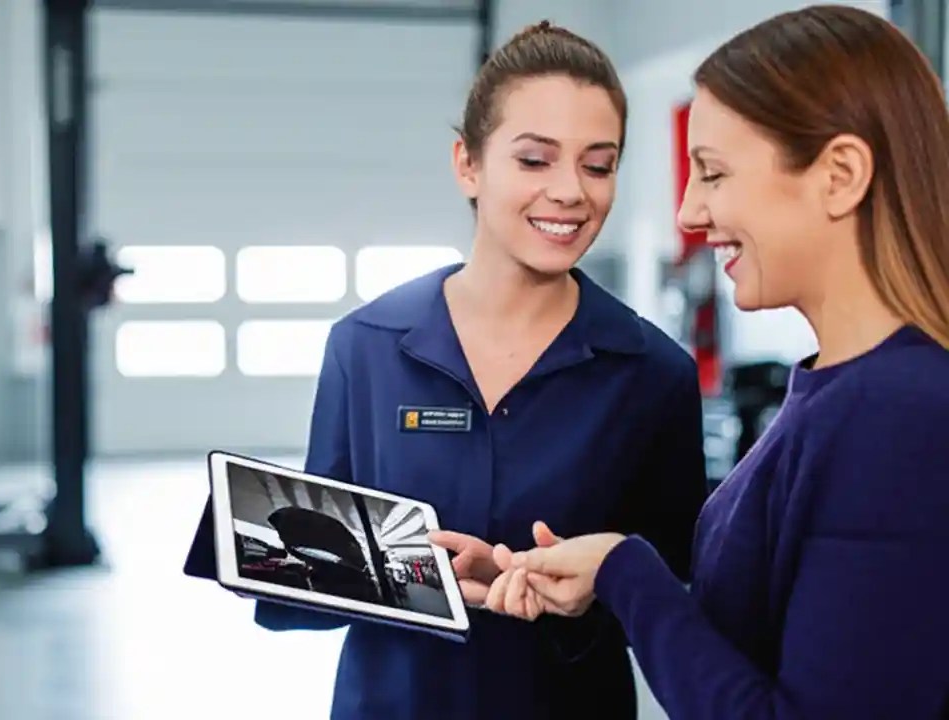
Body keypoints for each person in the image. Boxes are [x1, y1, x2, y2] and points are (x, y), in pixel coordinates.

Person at [432, 6, 949, 719]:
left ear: (840, 175)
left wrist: (627, 570)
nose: (687, 212)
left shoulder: (897, 415)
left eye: (711, 172)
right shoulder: (840, 393)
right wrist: (607, 576)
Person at [251, 20, 711, 720]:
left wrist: (572, 595)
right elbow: (302, 583)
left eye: (597, 163)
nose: (570, 192)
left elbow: (674, 600)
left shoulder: (653, 374)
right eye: (535, 160)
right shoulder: (366, 347)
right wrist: (264, 545)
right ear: (467, 163)